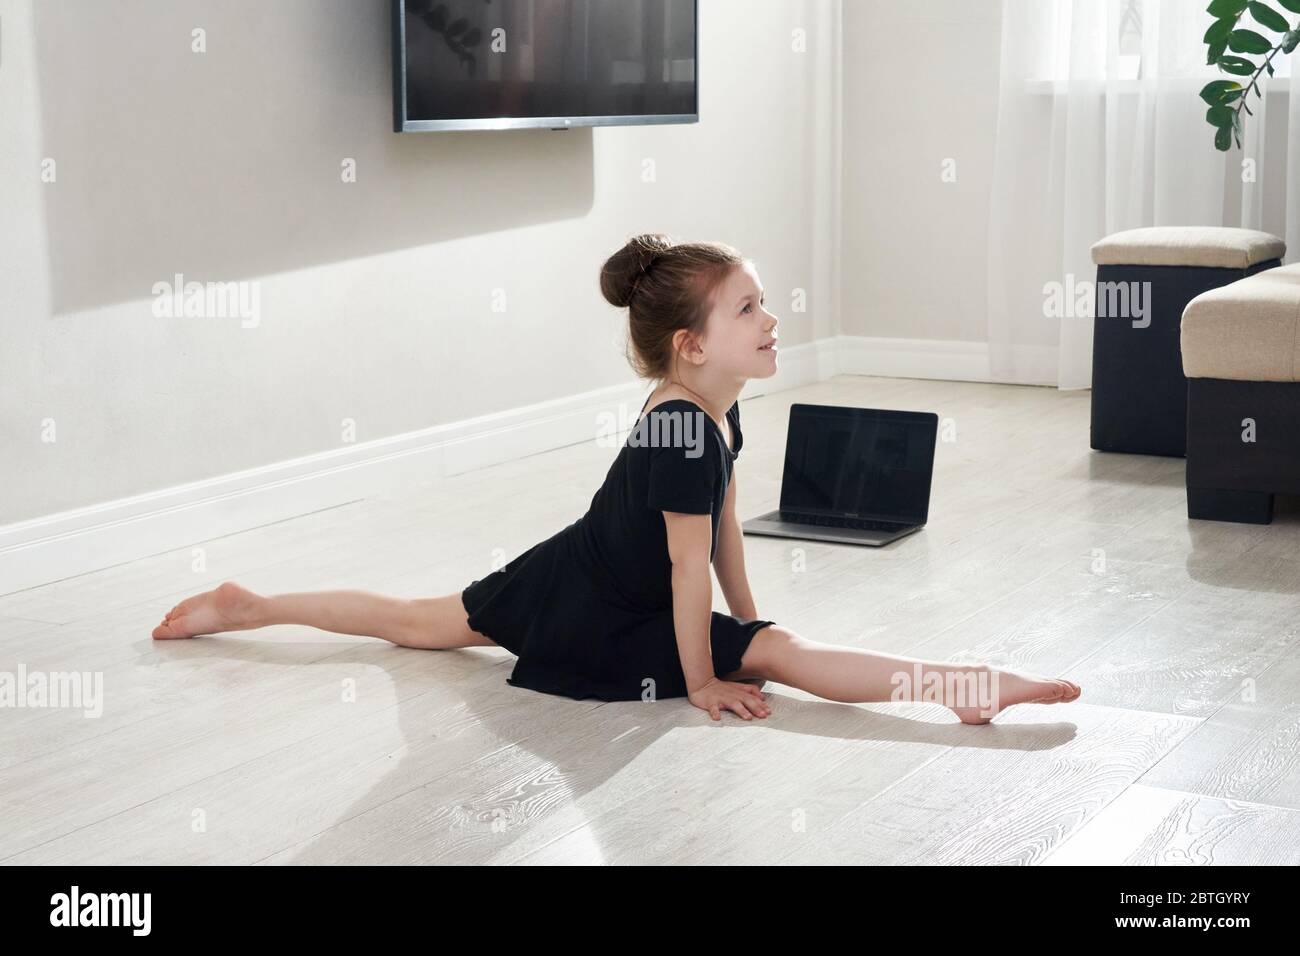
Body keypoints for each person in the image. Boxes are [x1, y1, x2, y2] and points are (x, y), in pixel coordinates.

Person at [153, 233, 1081, 724]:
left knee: (771, 645)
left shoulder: (715, 408)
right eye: (748, 307)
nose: (770, 319)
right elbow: (685, 572)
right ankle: (251, 605)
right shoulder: (680, 429)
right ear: (692, 344)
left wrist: (748, 620)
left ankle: (969, 687)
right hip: (589, 600)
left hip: (604, 577)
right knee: (415, 625)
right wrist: (706, 677)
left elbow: (720, 533)